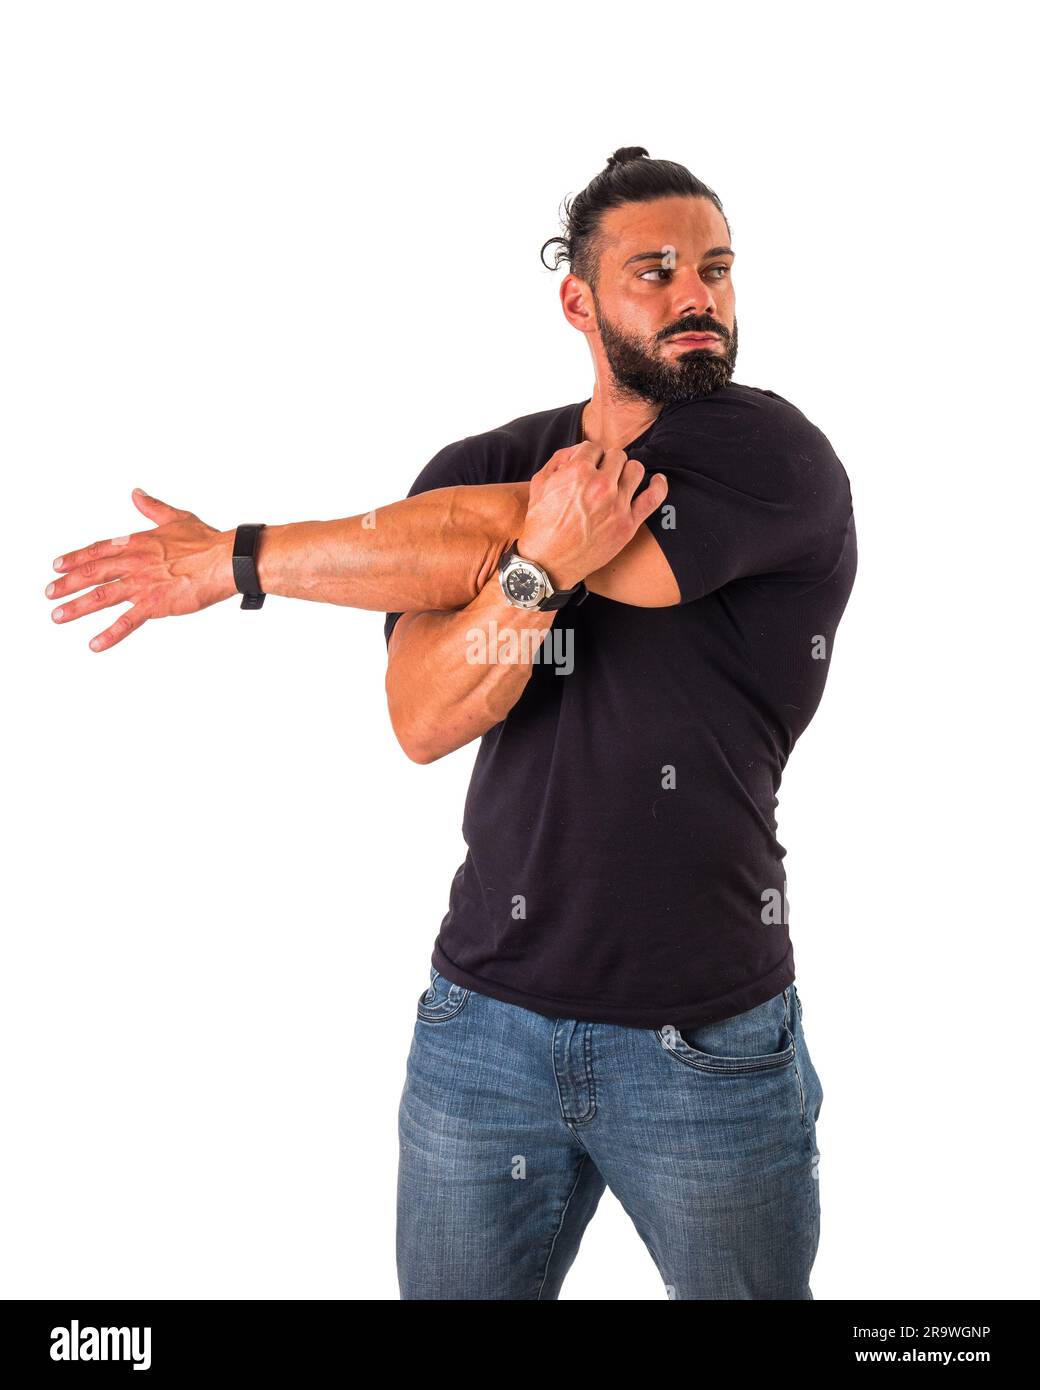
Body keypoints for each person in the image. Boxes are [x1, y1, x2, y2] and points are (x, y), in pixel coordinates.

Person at [44, 147, 856, 1300]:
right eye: (656, 271)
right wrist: (536, 565)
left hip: (707, 1041)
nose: (697, 299)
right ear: (577, 300)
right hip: (480, 1025)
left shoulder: (771, 460)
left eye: (717, 272)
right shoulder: (479, 465)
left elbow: (512, 530)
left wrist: (238, 561)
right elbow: (422, 719)